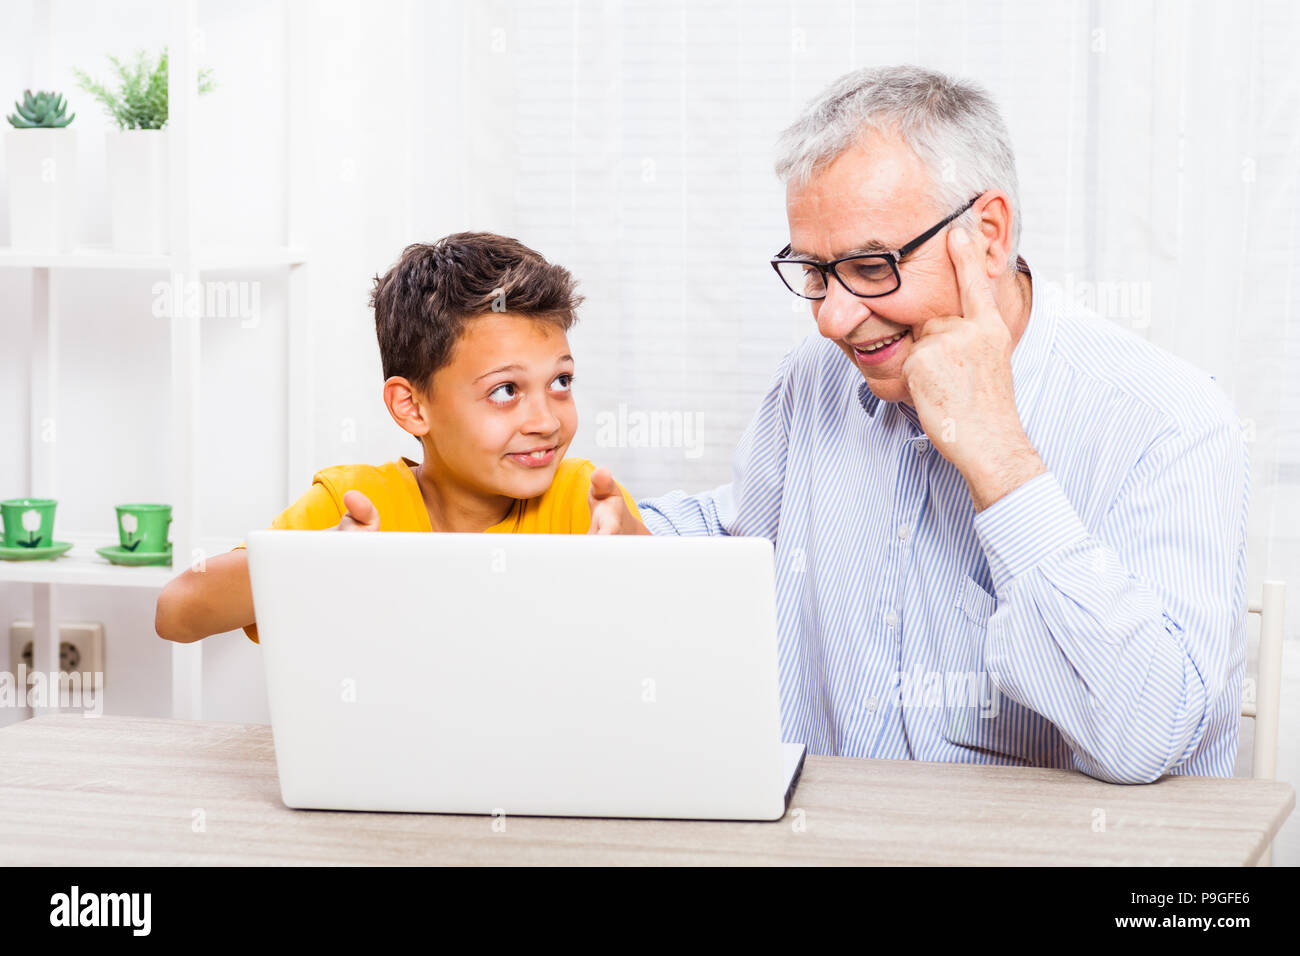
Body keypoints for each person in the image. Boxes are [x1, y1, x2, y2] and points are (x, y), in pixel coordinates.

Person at [632, 66, 1251, 784]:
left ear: (987, 236)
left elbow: (1150, 737)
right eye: (814, 271)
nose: (833, 318)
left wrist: (1000, 460)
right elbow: (748, 537)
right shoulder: (816, 377)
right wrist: (598, 526)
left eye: (870, 266)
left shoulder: (1170, 420)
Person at [155, 232, 647, 645]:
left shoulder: (583, 500)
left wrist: (632, 547)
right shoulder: (356, 506)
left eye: (560, 382)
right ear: (412, 407)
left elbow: (670, 622)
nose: (545, 420)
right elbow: (176, 612)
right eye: (505, 390)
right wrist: (316, 560)